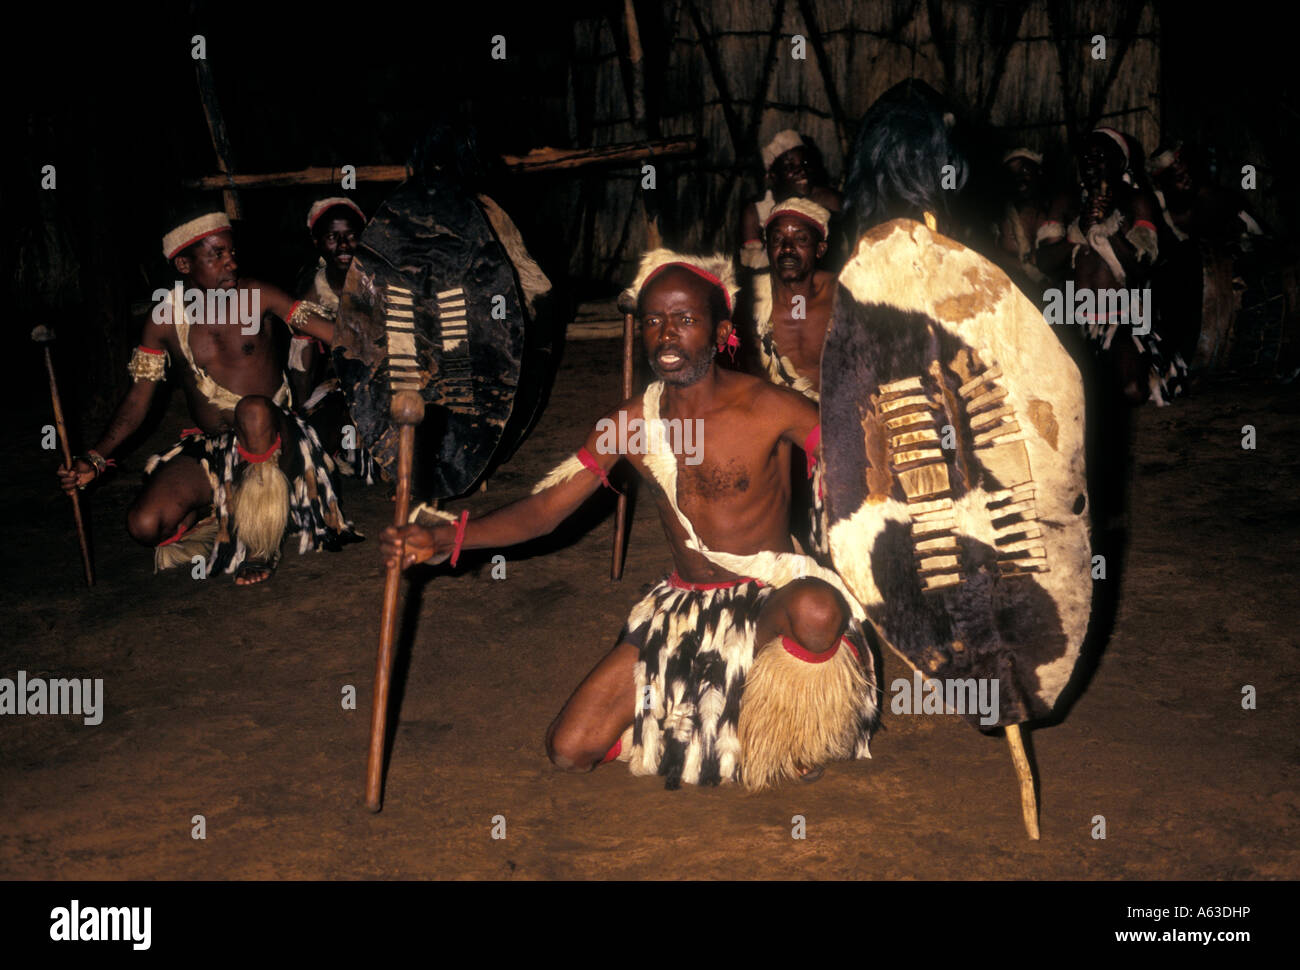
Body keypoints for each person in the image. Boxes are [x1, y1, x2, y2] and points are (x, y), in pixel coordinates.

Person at [382, 250, 879, 790]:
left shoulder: (771, 407)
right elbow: (547, 510)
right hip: (686, 611)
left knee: (816, 607)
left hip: (770, 604)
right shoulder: (631, 424)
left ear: (719, 332)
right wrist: (446, 535)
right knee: (570, 748)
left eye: (685, 320)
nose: (666, 334)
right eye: (652, 321)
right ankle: (711, 723)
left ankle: (784, 718)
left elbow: (861, 458)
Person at [57, 212, 357, 585]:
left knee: (252, 410)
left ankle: (259, 541)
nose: (231, 261)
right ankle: (223, 507)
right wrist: (95, 458)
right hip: (215, 448)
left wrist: (396, 346)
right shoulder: (165, 319)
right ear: (184, 264)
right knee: (145, 525)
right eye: (217, 254)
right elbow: (137, 401)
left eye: (232, 252)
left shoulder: (259, 295)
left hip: (278, 443)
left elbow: (335, 335)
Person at [289, 197, 375, 479]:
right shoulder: (313, 291)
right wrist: (299, 414)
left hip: (383, 380)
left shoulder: (381, 282)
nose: (343, 245)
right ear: (317, 242)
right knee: (316, 440)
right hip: (336, 385)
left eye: (352, 236)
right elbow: (303, 359)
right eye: (332, 237)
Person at [739, 130, 844, 272]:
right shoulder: (756, 212)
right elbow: (752, 263)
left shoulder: (827, 200)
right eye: (790, 166)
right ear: (773, 176)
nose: (801, 170)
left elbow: (841, 255)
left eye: (804, 162)